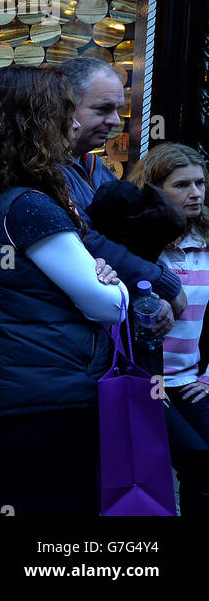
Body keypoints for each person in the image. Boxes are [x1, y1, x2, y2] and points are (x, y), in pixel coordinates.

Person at [0, 64, 127, 516]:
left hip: (3, 396)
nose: (76, 125)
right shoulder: (31, 207)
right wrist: (115, 285)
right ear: (36, 124)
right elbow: (107, 306)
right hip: (51, 399)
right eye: (65, 114)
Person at [58, 57, 185, 320]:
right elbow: (84, 241)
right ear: (64, 108)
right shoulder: (43, 174)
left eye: (117, 109)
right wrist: (161, 283)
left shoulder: (96, 167)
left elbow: (135, 236)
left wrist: (152, 289)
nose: (116, 121)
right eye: (103, 109)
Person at [128, 143, 209, 514]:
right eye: (182, 185)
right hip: (145, 383)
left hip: (190, 381)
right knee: (196, 462)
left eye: (200, 183)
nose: (195, 193)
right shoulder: (137, 245)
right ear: (156, 189)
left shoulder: (207, 241)